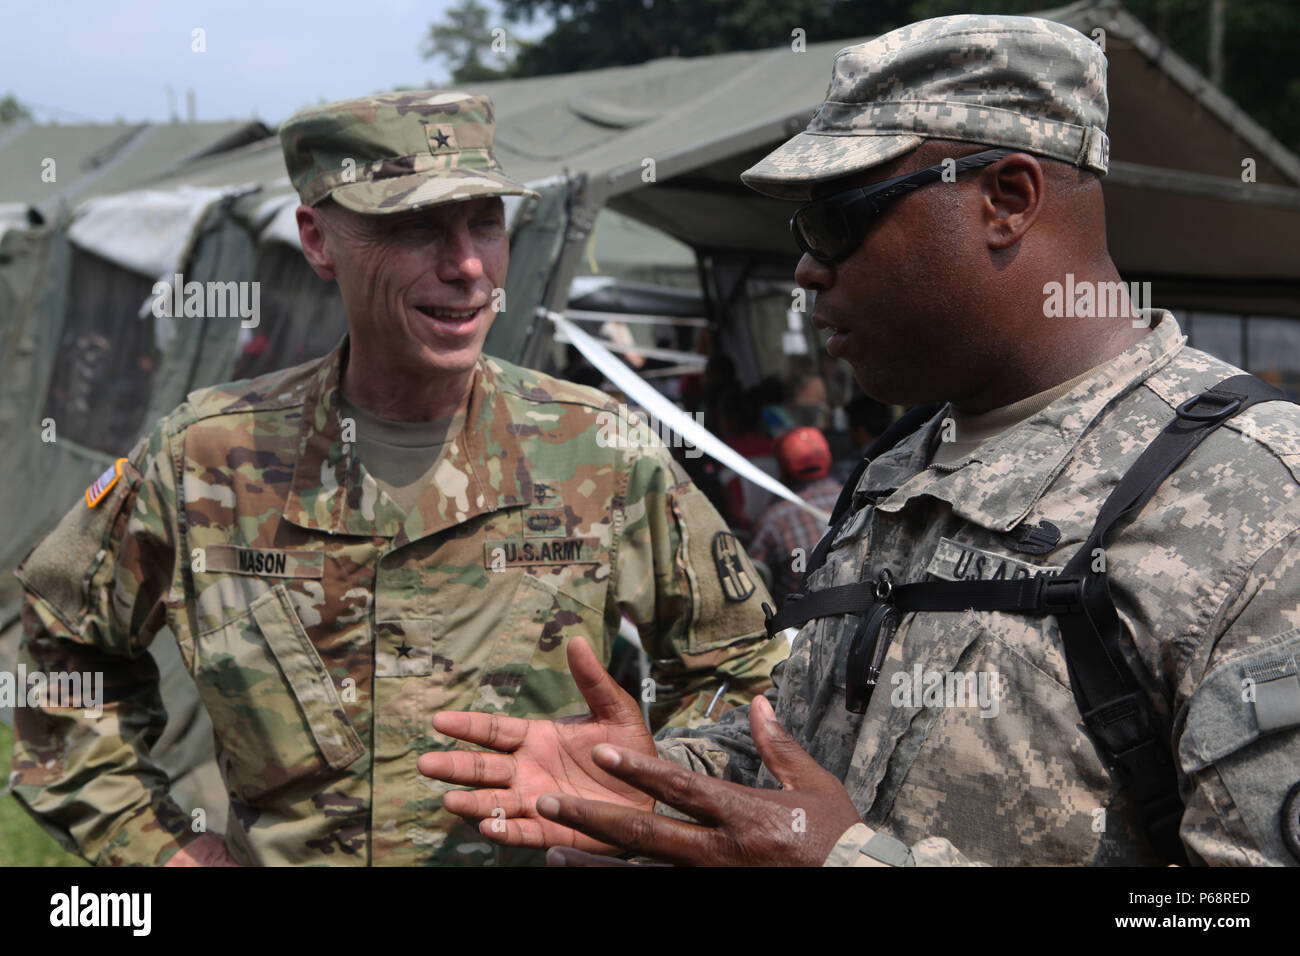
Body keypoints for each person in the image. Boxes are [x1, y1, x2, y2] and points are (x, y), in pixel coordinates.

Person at [419, 16, 1300, 866]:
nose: (806, 265)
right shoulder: (898, 467)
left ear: (1008, 199)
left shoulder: (1256, 501)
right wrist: (654, 788)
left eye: (837, 216)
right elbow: (811, 769)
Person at [8, 90, 787, 867]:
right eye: (416, 227)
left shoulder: (597, 450)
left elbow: (745, 672)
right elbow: (63, 655)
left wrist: (647, 798)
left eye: (486, 221)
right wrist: (155, 849)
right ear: (317, 240)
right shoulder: (206, 456)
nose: (468, 266)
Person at [748, 427, 842, 606]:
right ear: (828, 460)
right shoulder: (853, 499)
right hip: (854, 614)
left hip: (798, 625)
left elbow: (751, 577)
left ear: (783, 469)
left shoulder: (774, 520)